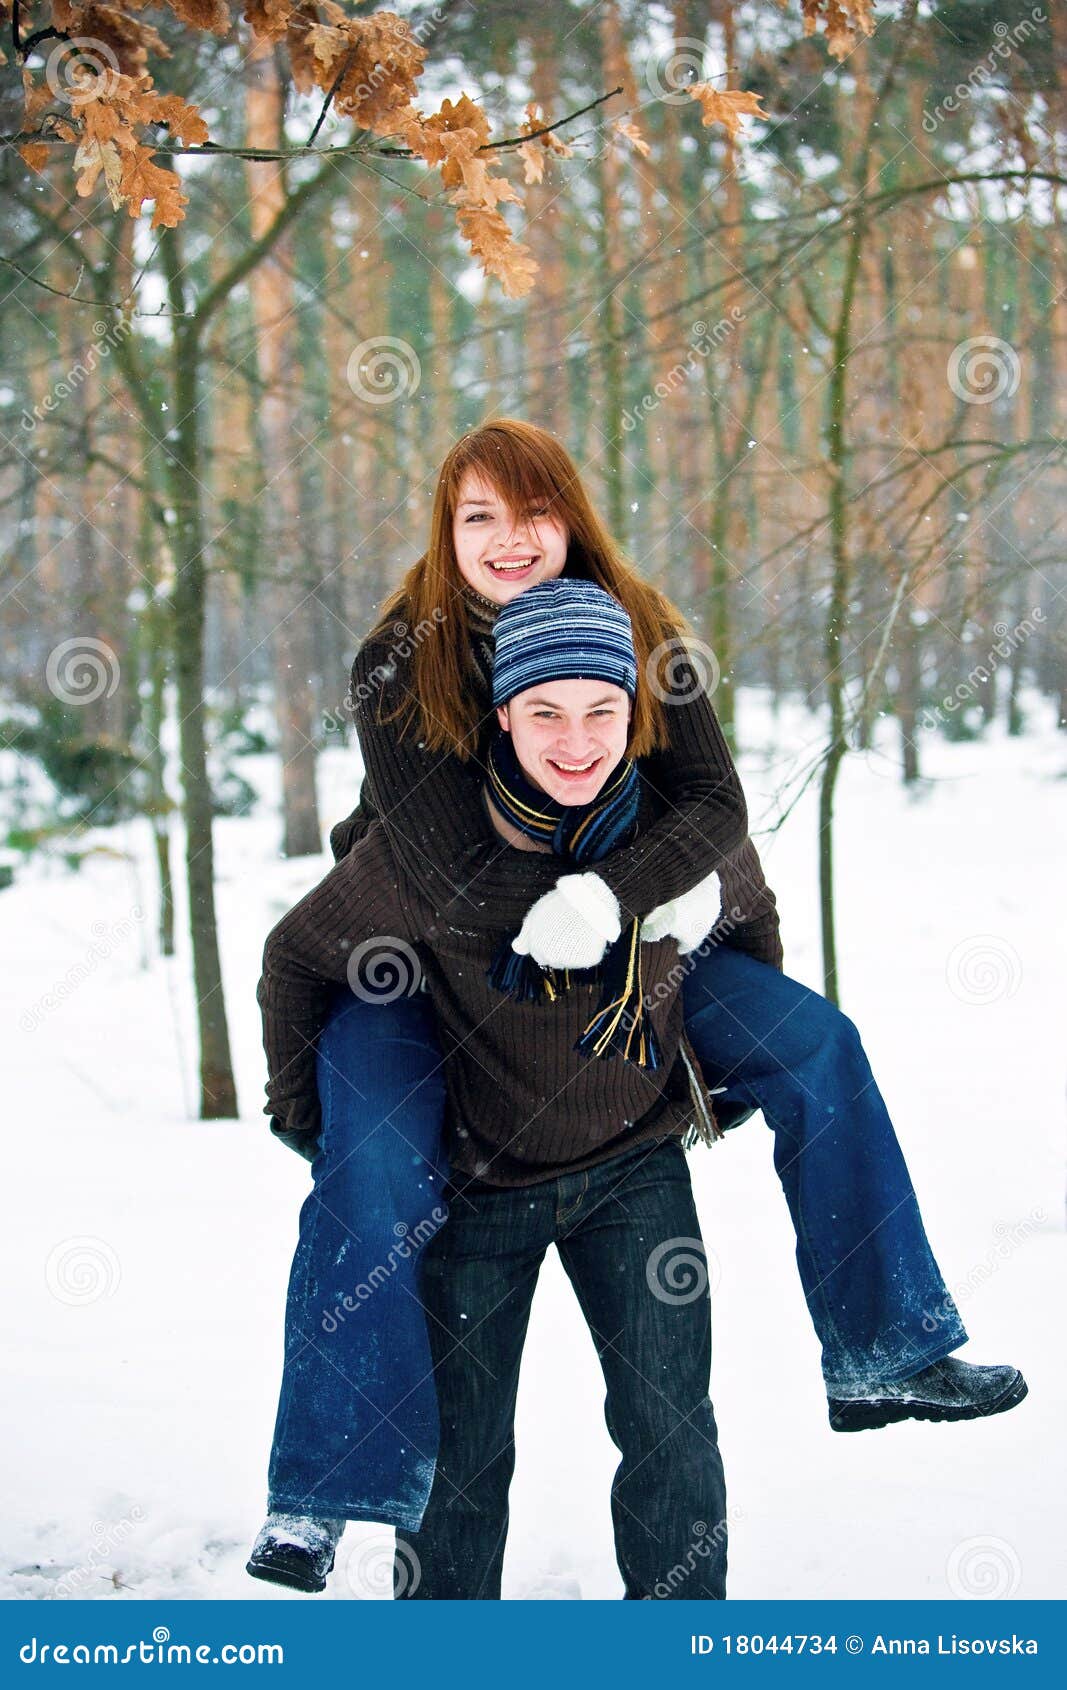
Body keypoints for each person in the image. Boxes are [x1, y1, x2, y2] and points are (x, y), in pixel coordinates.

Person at [249, 417, 1026, 1592]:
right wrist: (618, 894)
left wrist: (639, 892)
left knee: (817, 1044)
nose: (511, 541)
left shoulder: (641, 624)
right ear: (443, 529)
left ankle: (885, 1349)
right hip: (418, 951)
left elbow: (713, 800)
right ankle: (325, 1490)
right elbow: (458, 880)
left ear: (572, 514)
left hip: (637, 936)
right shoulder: (400, 661)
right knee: (371, 1163)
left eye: (534, 513)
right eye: (479, 518)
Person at [251, 580, 734, 1598]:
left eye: (602, 711)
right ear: (501, 715)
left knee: (670, 1439)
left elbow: (751, 924)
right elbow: (295, 956)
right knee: (459, 1466)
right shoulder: (429, 850)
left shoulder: (670, 832)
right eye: (544, 712)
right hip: (478, 1183)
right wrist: (312, 1124)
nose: (575, 740)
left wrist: (710, 1086)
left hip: (631, 1174)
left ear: (635, 716)